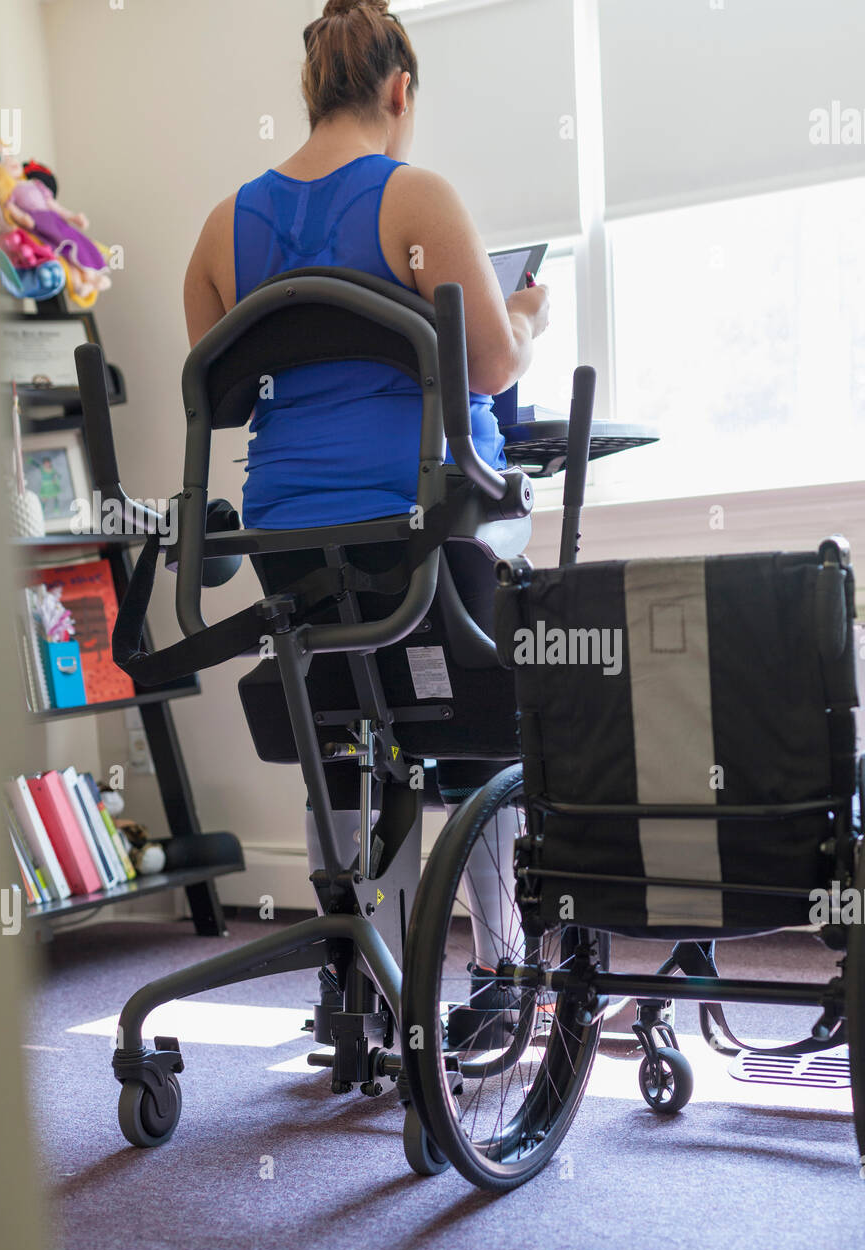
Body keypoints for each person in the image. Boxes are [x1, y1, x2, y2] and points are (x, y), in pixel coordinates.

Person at [183, 0, 541, 967]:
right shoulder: (415, 197)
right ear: (400, 90)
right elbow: (495, 367)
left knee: (343, 727)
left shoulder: (224, 229)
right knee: (477, 719)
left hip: (291, 543)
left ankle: (361, 978)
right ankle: (507, 967)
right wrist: (523, 315)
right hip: (423, 524)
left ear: (310, 94)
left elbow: (214, 399)